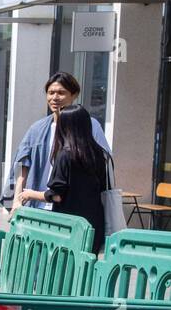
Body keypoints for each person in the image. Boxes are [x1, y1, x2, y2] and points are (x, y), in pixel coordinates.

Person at [8, 71, 110, 210]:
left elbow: (103, 163)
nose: (55, 97)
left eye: (61, 93)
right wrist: (17, 200)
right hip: (39, 205)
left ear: (74, 95)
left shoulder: (90, 126)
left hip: (72, 208)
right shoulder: (37, 129)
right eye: (50, 93)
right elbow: (23, 164)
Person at [24, 104, 109, 255]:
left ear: (64, 127)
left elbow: (57, 195)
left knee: (65, 272)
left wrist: (30, 194)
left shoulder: (65, 155)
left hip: (70, 227)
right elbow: (102, 188)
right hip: (94, 225)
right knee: (86, 271)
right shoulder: (98, 154)